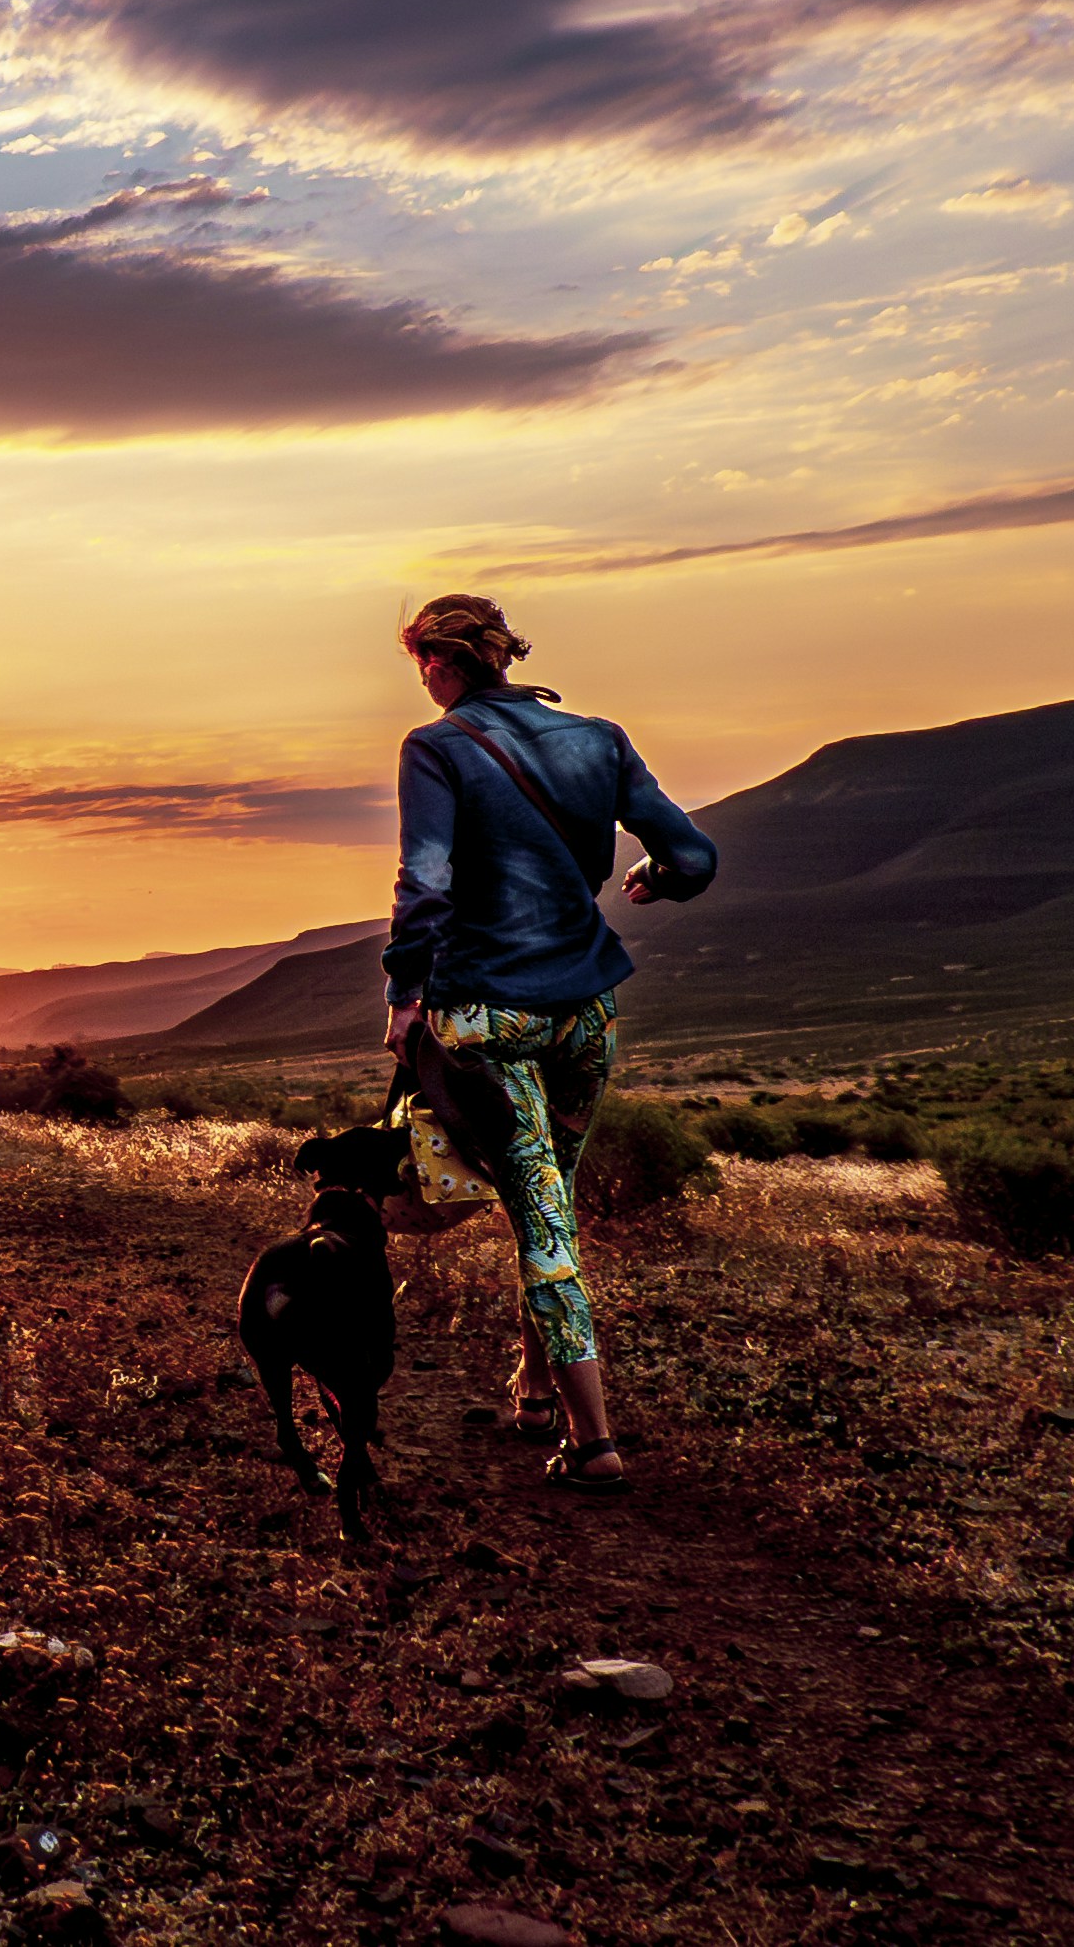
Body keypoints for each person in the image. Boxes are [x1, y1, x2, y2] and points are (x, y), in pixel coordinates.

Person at [379, 592, 715, 1495]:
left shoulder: (437, 747)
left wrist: (404, 995)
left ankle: (594, 1441)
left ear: (439, 663)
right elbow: (693, 858)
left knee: (542, 1218)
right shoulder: (598, 739)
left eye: (420, 666)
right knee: (547, 1199)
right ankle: (533, 1389)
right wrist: (652, 877)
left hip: (487, 1016)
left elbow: (426, 879)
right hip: (588, 1011)